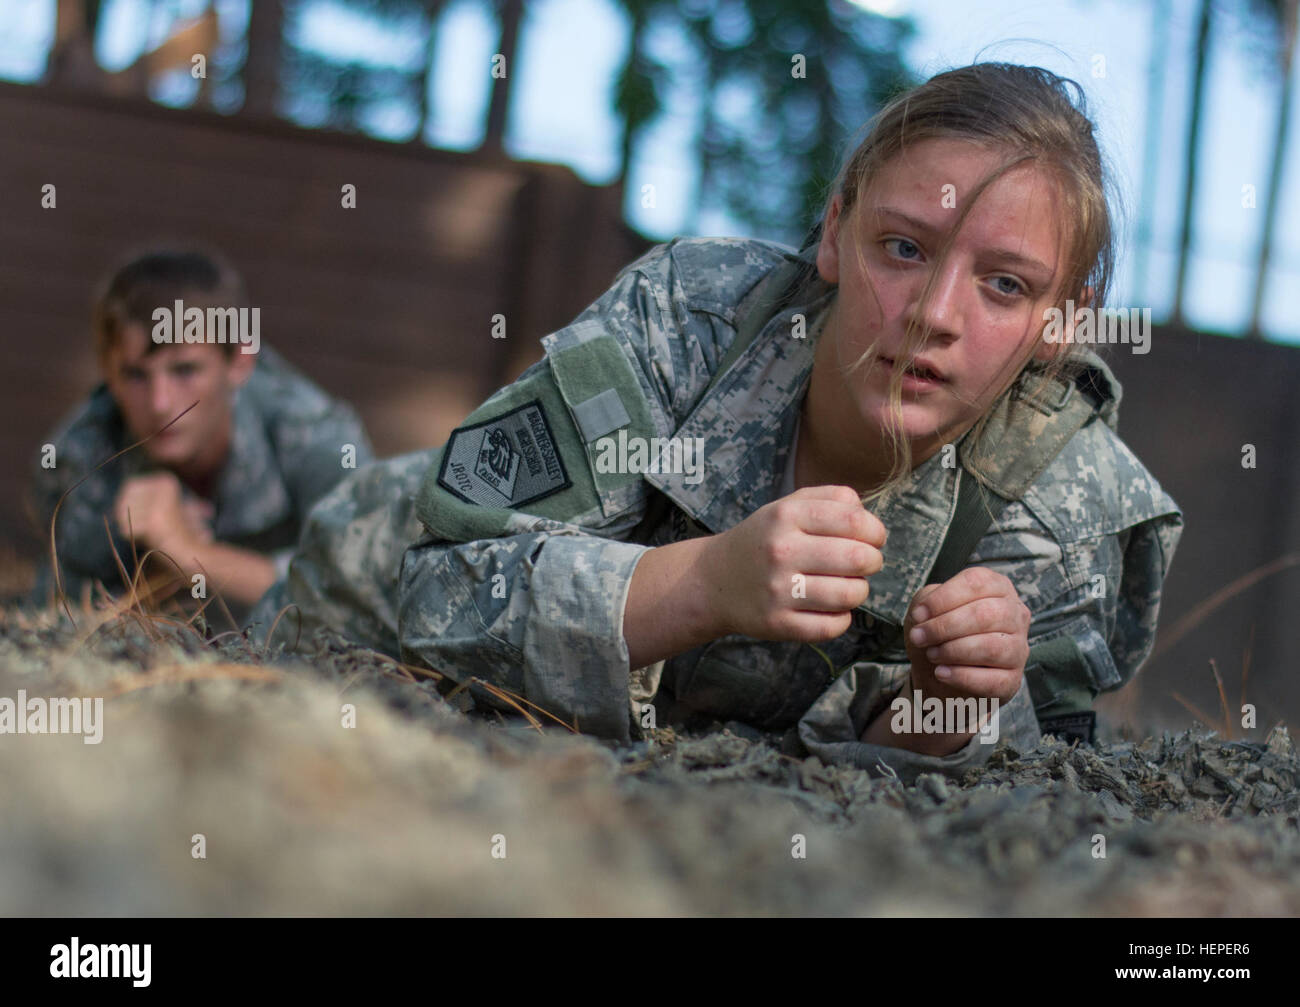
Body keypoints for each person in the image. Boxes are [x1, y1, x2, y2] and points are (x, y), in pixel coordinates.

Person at [254, 63, 1183, 781]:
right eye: (903, 248)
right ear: (833, 231)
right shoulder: (689, 320)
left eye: (1005, 284)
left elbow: (1025, 788)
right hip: (351, 595)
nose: (936, 311)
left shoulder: (1061, 505)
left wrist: (941, 706)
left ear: (1063, 321)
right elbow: (437, 588)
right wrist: (700, 582)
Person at [29, 249, 374, 620]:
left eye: (185, 371)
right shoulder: (79, 457)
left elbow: (363, 596)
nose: (160, 403)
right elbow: (56, 620)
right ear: (107, 373)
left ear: (240, 362)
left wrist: (188, 553)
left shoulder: (316, 439)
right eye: (135, 375)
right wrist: (149, 572)